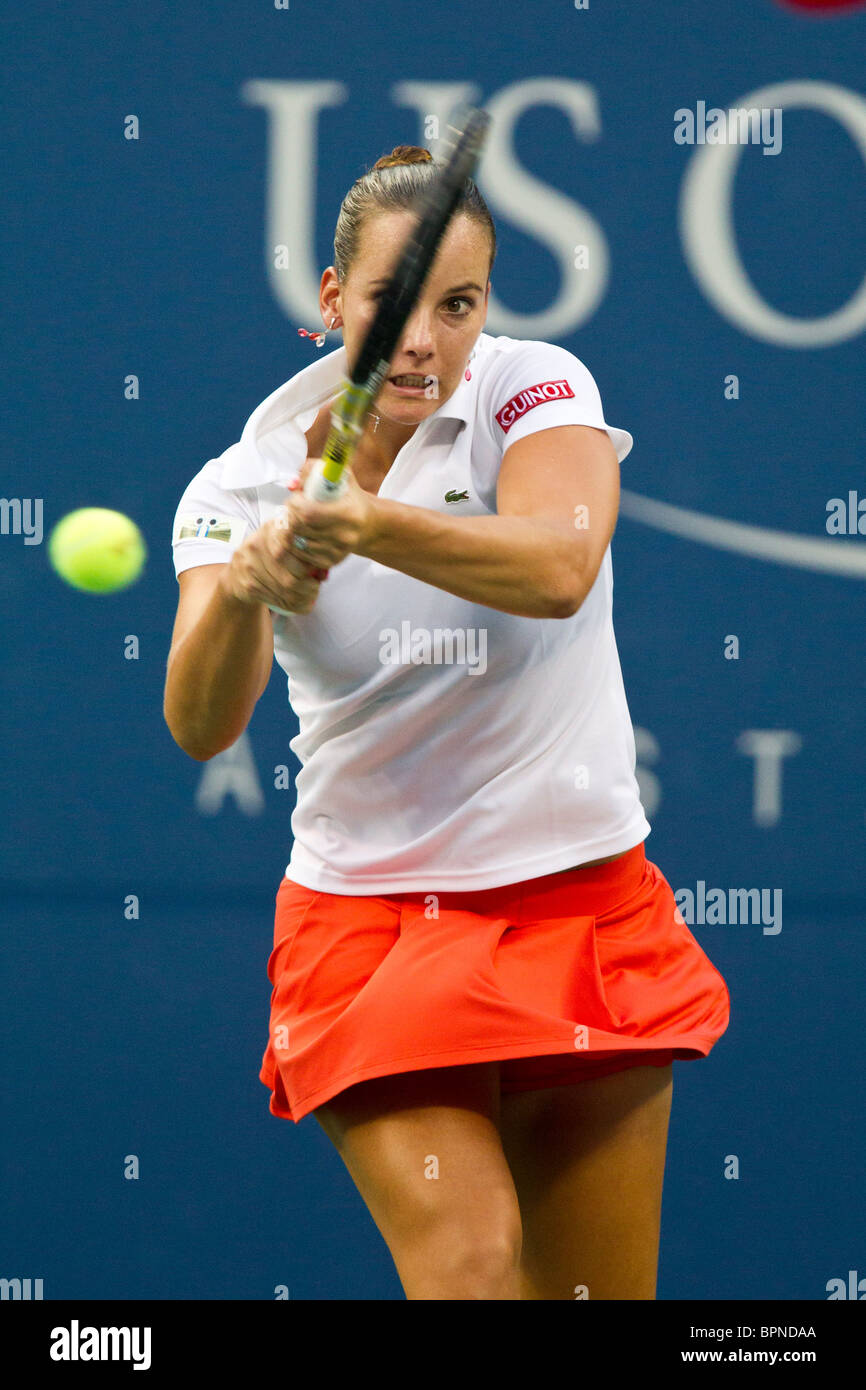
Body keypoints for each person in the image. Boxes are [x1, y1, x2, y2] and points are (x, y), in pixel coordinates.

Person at [164, 144, 730, 1301]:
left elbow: (562, 561)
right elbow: (200, 721)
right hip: (370, 930)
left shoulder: (535, 388)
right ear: (332, 302)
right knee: (470, 1263)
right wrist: (245, 592)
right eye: (390, 302)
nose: (423, 339)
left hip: (578, 904)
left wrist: (364, 523)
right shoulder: (238, 486)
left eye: (457, 305)